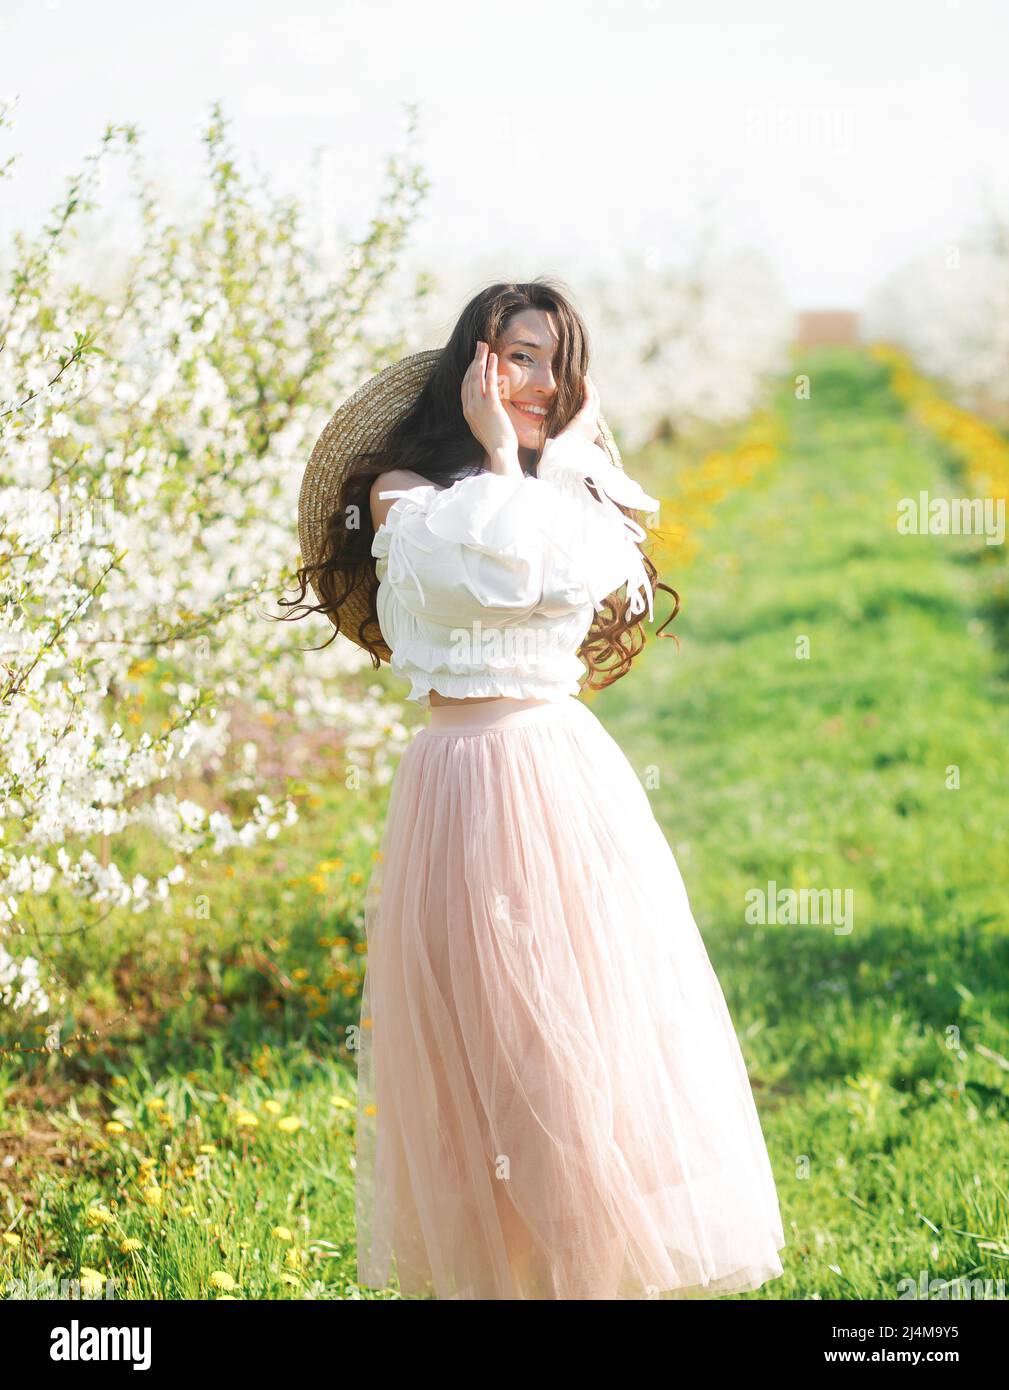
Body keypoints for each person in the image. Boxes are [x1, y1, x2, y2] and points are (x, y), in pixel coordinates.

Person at [290, 278, 786, 1300]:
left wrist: (551, 463)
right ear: (470, 361)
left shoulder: (575, 488)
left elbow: (578, 578)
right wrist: (516, 462)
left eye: (555, 361)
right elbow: (494, 574)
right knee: (487, 1068)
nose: (537, 381)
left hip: (559, 778)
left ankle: (593, 1282)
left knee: (581, 1056)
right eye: (516, 355)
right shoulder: (401, 494)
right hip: (458, 786)